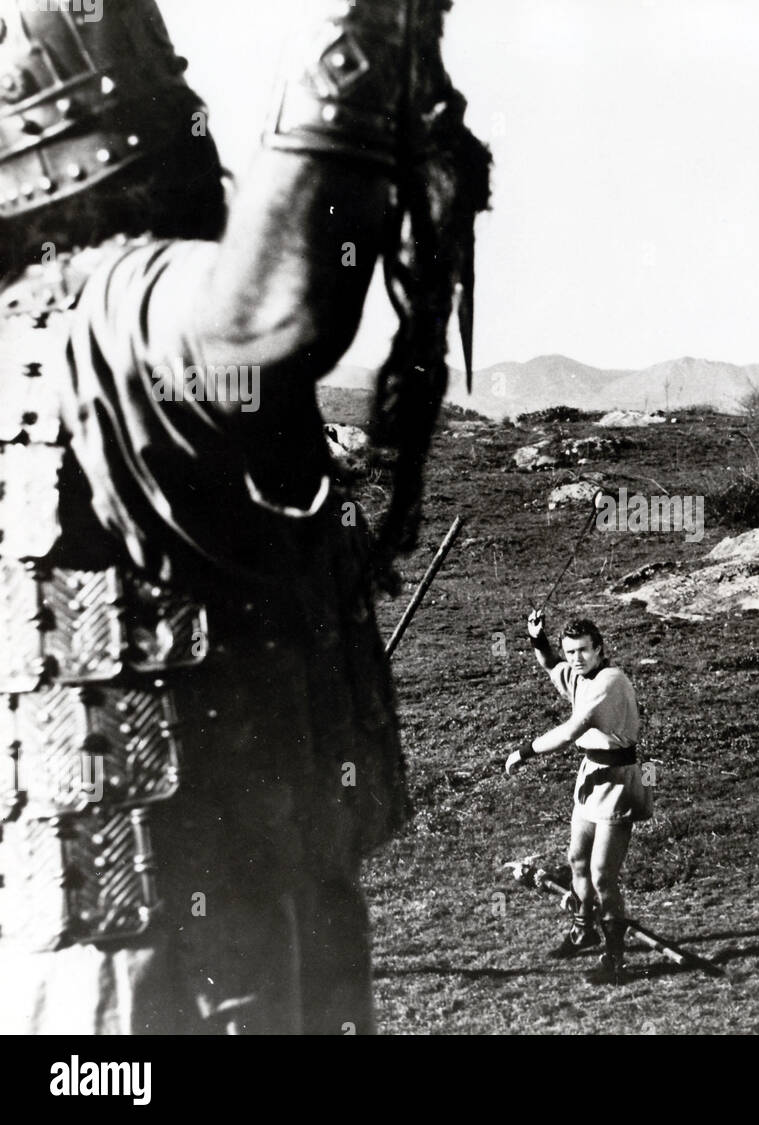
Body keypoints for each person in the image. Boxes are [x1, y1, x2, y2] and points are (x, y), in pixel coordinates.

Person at [0, 0, 488, 1032]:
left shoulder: (29, 336)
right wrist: (360, 28)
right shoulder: (112, 310)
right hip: (176, 986)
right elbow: (267, 316)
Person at [506, 611, 651, 984]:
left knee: (604, 876)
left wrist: (524, 751)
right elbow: (551, 664)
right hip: (590, 776)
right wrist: (537, 638)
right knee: (576, 860)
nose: (575, 658)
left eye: (583, 650)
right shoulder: (577, 675)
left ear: (600, 649)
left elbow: (571, 731)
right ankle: (583, 927)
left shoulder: (610, 681)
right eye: (571, 651)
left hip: (617, 781)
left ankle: (615, 959)